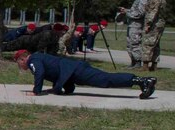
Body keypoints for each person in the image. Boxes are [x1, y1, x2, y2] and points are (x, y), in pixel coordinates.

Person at [16, 50, 156, 99]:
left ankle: (142, 81)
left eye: (19, 63)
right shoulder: (39, 57)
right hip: (74, 71)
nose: (21, 67)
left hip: (76, 70)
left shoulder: (33, 60)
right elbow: (57, 72)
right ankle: (142, 81)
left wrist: (36, 91)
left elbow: (39, 73)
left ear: (23, 58)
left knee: (105, 79)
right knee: (105, 80)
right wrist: (60, 88)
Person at [120, 0, 148, 68]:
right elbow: (134, 11)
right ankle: (133, 62)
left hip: (136, 25)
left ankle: (137, 62)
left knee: (135, 43)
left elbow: (140, 13)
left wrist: (127, 13)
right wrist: (126, 10)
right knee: (129, 44)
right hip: (132, 25)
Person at [142, 0, 166, 71]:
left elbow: (153, 12)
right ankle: (154, 65)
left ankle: (145, 66)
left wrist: (148, 24)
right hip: (159, 24)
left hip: (154, 24)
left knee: (148, 44)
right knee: (156, 45)